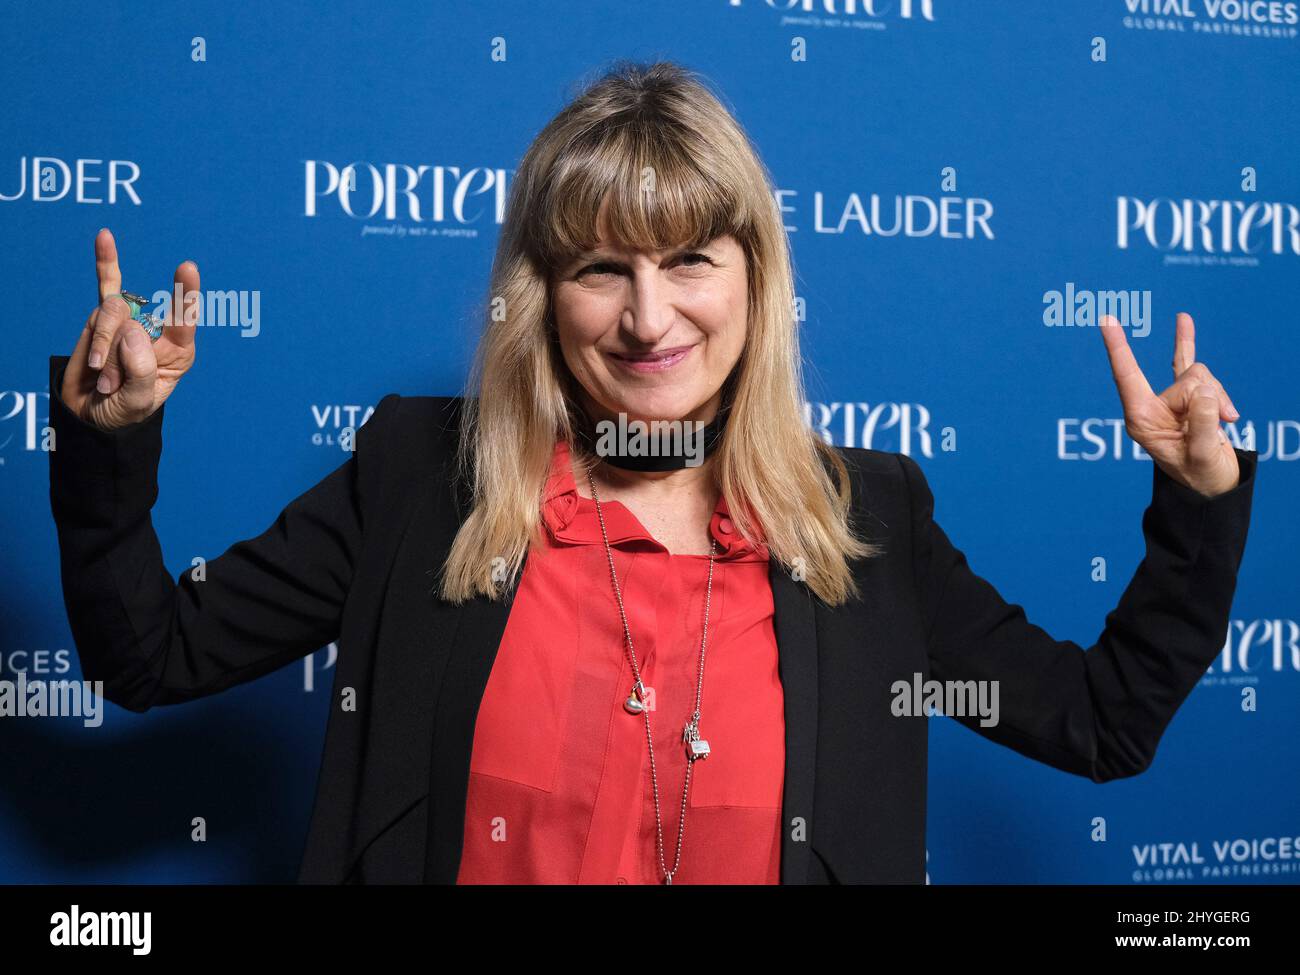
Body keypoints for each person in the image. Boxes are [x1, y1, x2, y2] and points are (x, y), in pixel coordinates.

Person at [48, 60, 1256, 885]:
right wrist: (111, 441)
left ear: (754, 280)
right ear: (539, 297)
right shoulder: (425, 476)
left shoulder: (865, 519)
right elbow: (150, 654)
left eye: (688, 258)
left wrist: (1197, 506)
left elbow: (1103, 724)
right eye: (597, 269)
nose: (647, 317)